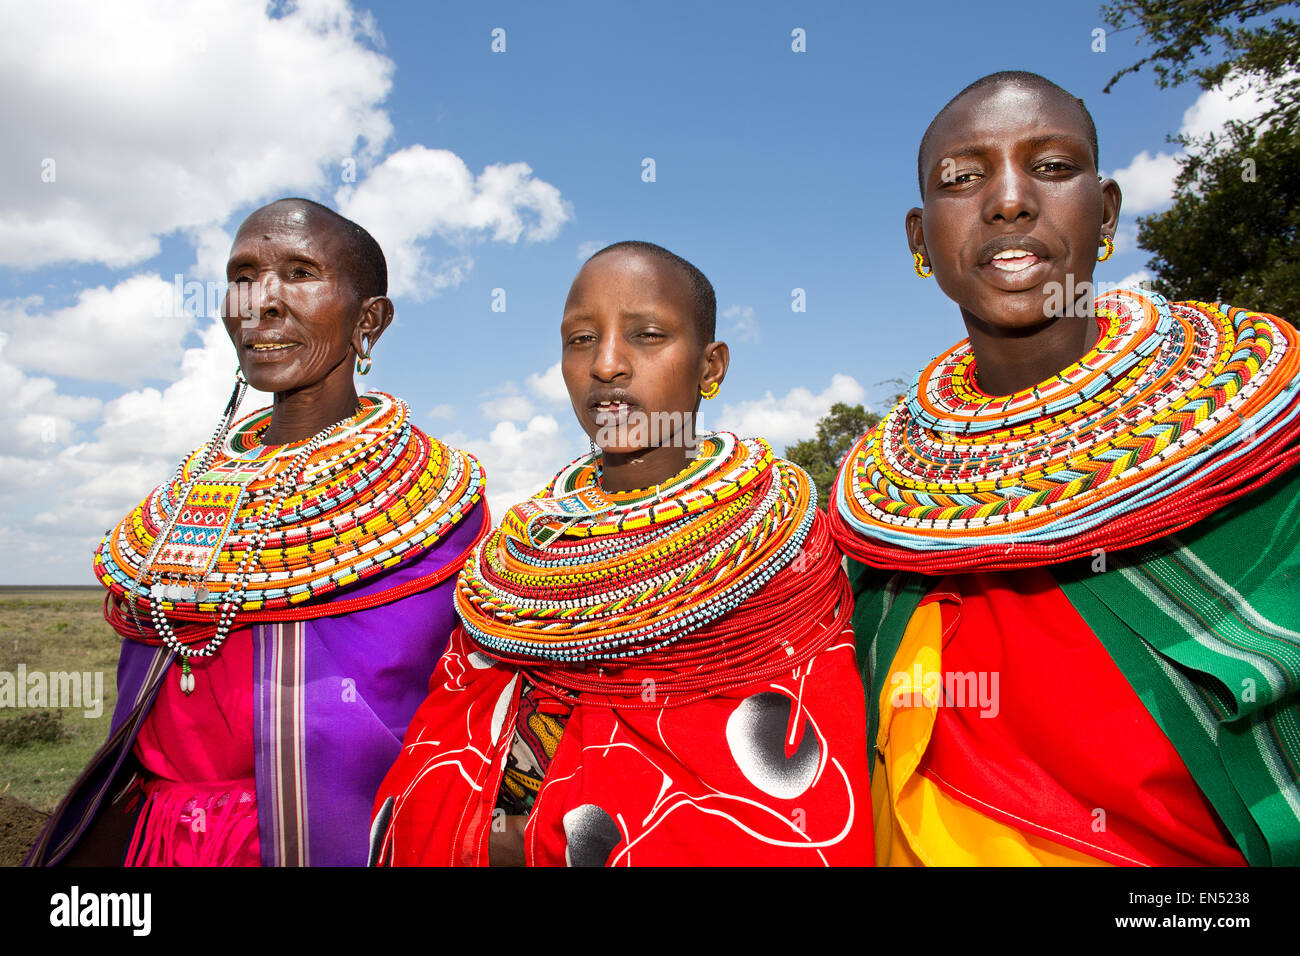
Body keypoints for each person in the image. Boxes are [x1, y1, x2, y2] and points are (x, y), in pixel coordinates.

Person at [829, 71, 1300, 866]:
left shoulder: (1261, 461)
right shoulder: (879, 538)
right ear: (920, 239)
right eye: (962, 178)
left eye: (1050, 166)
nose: (1008, 200)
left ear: (1106, 211)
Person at [370, 241, 871, 866]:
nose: (607, 364)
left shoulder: (783, 551)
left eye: (649, 335)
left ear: (711, 366)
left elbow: (789, 785)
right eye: (581, 340)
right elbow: (446, 730)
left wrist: (532, 841)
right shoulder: (517, 553)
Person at [25, 198, 488, 867]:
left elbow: (448, 704)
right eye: (243, 275)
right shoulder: (190, 498)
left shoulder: (431, 507)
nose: (261, 302)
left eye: (300, 273)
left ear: (370, 321)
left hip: (339, 843)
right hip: (154, 843)